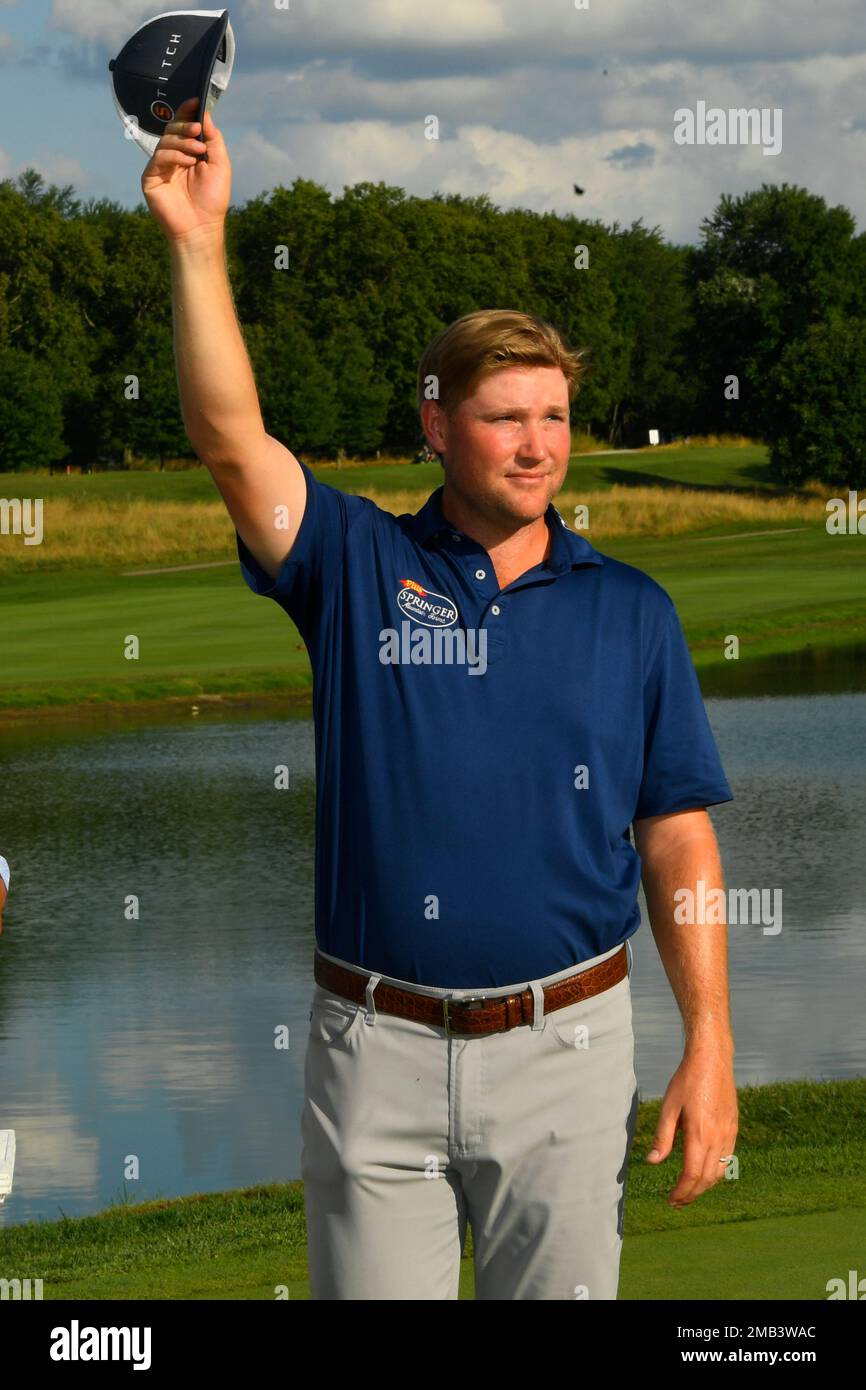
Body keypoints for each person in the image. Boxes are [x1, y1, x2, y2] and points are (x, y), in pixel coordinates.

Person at [142, 100, 738, 1301]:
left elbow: (675, 832)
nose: (535, 445)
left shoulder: (630, 610)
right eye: (502, 416)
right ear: (436, 425)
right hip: (374, 1049)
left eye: (554, 417)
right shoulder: (353, 561)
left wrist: (710, 1043)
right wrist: (199, 245)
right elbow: (227, 435)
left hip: (569, 1046)